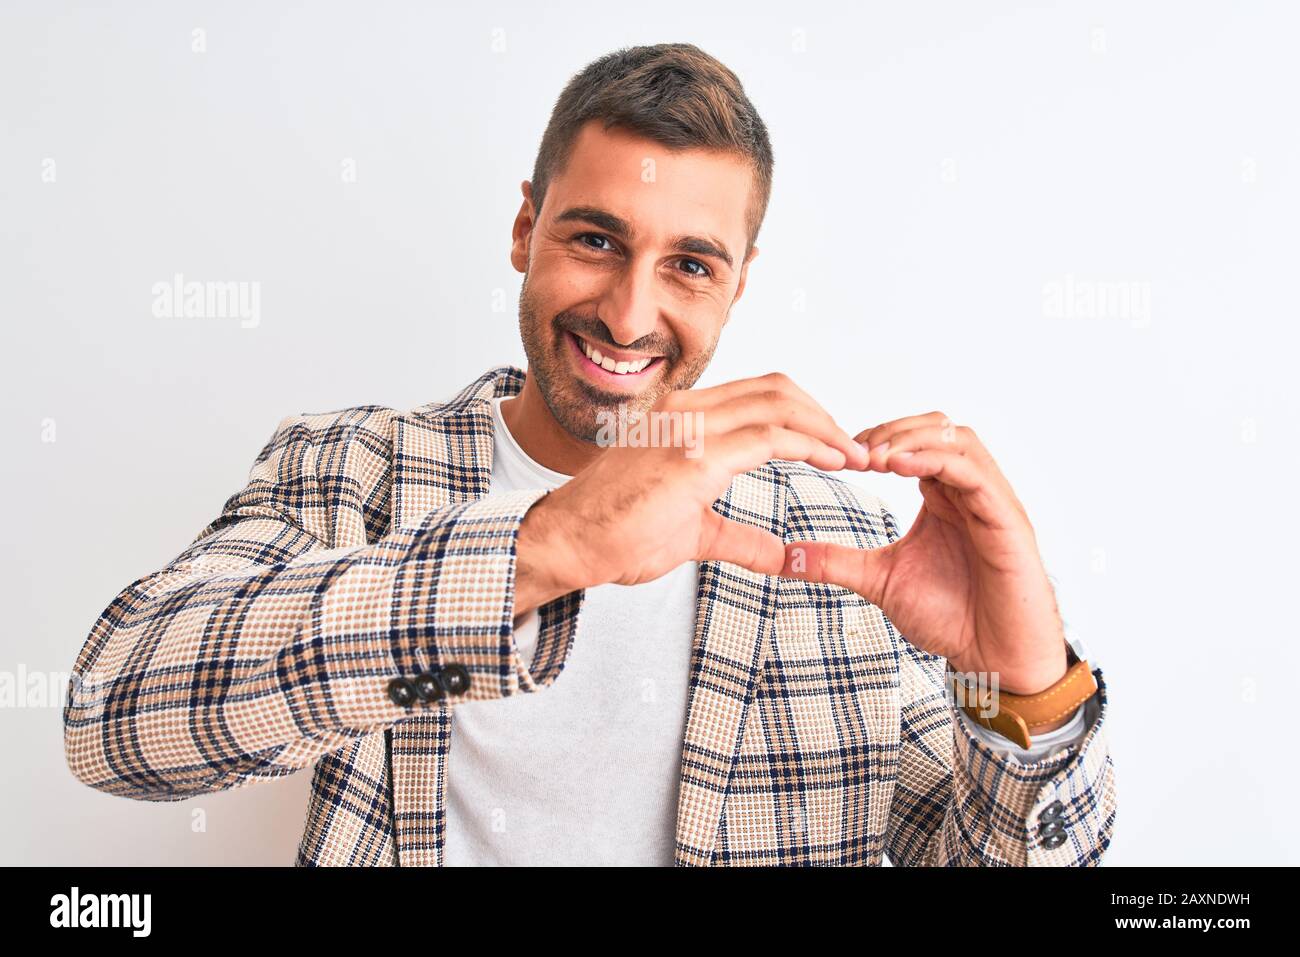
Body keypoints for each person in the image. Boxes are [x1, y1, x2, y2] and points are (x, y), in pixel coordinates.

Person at [64, 42, 1115, 866]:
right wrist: (546, 545)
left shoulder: (830, 537)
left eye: (690, 264)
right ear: (525, 228)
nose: (628, 315)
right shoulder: (352, 469)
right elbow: (113, 720)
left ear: (737, 285)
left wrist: (1019, 687)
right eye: (596, 239)